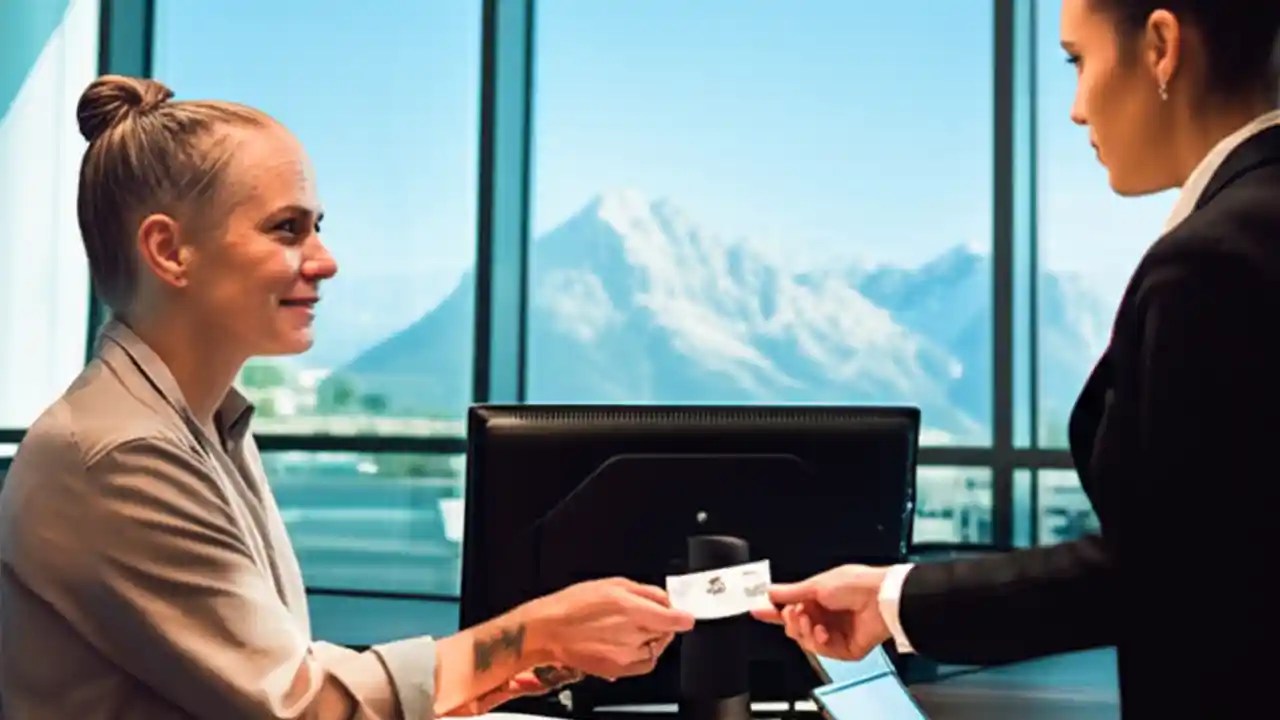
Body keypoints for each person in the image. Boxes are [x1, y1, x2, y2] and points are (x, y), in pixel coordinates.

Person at [0, 74, 695, 719]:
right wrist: (525, 636)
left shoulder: (199, 425)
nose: (325, 261)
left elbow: (261, 677)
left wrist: (517, 659)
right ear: (170, 251)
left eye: (317, 227)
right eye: (286, 228)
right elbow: (298, 706)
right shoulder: (120, 454)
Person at [754, 1, 1280, 717]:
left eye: (1077, 60)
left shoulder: (1216, 259)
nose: (1072, 110)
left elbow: (1165, 568)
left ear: (1160, 46)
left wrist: (890, 599)